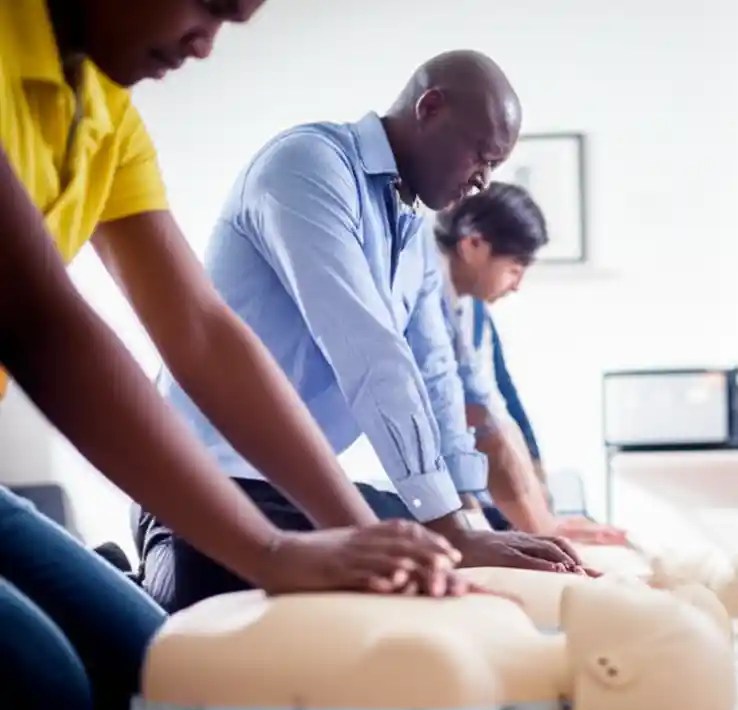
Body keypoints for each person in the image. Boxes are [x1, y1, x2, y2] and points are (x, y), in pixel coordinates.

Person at [0, 1, 469, 710]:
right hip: (218, 485)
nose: (207, 44)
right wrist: (271, 554)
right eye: (207, 4)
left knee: (154, 666)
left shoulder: (103, 116)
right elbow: (43, 322)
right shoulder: (310, 164)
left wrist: (361, 537)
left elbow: (200, 329)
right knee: (45, 681)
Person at [135, 52, 590, 613]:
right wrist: (454, 531)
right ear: (431, 108)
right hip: (210, 484)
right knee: (417, 578)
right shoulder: (307, 166)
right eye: (481, 155)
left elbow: (436, 379)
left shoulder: (417, 233)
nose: (482, 181)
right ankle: (148, 580)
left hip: (288, 491)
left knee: (453, 554)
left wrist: (470, 519)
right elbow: (372, 355)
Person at [433, 183, 628, 544]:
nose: (517, 285)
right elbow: (464, 424)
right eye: (514, 268)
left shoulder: (472, 313)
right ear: (473, 244)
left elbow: (500, 414)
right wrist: (542, 534)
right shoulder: (421, 295)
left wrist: (547, 522)